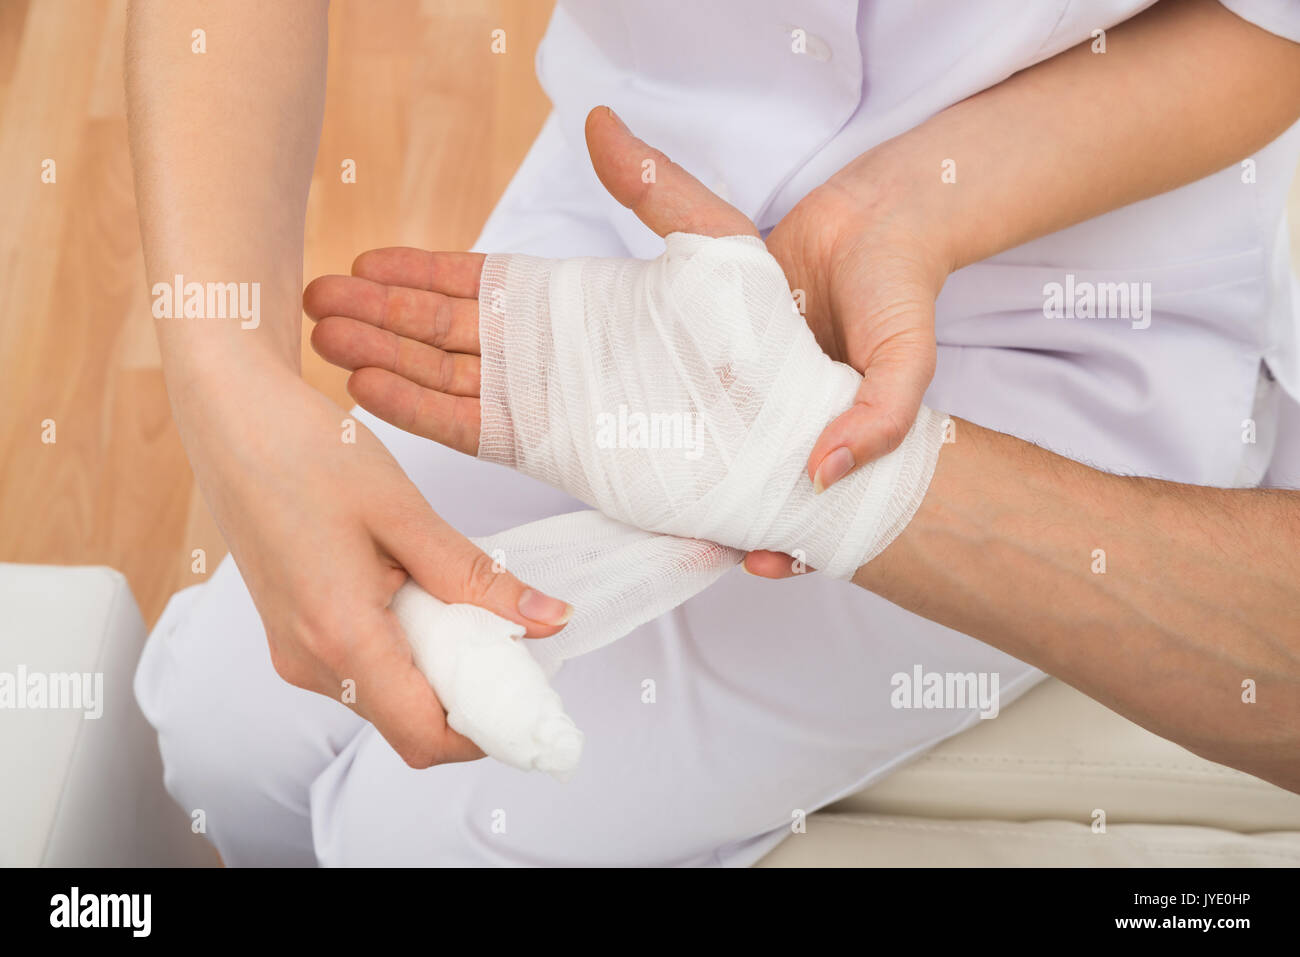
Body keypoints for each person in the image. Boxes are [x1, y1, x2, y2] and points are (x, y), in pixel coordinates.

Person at [127, 0, 1300, 866]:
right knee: (219, 721)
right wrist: (225, 377)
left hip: (1059, 298)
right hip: (632, 225)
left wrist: (894, 212)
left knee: (416, 845)